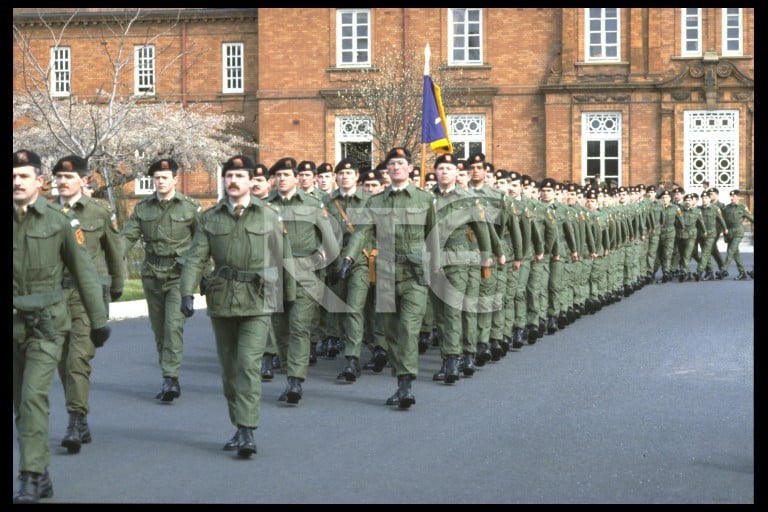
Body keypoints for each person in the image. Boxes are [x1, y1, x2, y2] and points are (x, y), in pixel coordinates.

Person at [179, 154, 296, 458]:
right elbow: (196, 257)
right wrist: (186, 292)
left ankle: (247, 430)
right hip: (222, 299)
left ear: (251, 182)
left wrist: (289, 296)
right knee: (230, 368)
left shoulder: (268, 215)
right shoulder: (210, 217)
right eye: (228, 176)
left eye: (239, 176)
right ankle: (238, 425)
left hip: (258, 299)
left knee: (247, 364)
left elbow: (283, 257)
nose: (232, 181)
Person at [13, 149, 111, 503]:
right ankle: (41, 469)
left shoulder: (59, 221)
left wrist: (99, 320)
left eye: (23, 175)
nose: (16, 182)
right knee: (20, 406)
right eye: (12, 176)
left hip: (46, 325)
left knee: (33, 396)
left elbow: (86, 272)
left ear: (39, 181)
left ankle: (31, 475)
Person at [338, 147, 440, 408]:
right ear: (387, 170)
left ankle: (406, 385)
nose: (395, 167)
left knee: (407, 329)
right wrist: (349, 257)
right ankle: (400, 382)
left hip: (414, 274)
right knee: (392, 332)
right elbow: (361, 232)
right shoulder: (376, 201)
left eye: (400, 163)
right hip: (385, 272)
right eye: (391, 164)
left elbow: (434, 236)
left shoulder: (424, 199)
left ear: (409, 168)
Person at [52, 155, 125, 454]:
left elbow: (115, 254)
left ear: (83, 180)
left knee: (77, 360)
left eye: (68, 177)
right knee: (61, 361)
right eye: (58, 177)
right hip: (55, 297)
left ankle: (74, 419)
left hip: (87, 296)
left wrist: (117, 288)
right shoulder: (45, 213)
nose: (62, 181)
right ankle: (80, 417)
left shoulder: (99, 213)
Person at [121, 158, 201, 402]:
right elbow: (126, 238)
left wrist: (204, 277)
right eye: (156, 178)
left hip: (179, 275)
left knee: (172, 326)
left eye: (165, 177)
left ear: (175, 179)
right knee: (159, 329)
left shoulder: (190, 208)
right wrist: (111, 263)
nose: (160, 182)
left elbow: (202, 245)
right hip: (152, 274)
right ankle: (168, 373)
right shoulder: (144, 208)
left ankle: (170, 377)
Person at [267, 157, 339, 404]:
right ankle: (290, 372)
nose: (282, 179)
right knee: (281, 329)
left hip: (305, 273)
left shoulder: (313, 204)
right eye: (279, 175)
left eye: (287, 175)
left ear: (297, 178)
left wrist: (332, 265)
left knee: (299, 327)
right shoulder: (264, 207)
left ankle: (295, 380)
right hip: (275, 275)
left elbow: (329, 239)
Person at [428, 153, 502, 382]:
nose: (444, 173)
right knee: (440, 313)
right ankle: (456, 354)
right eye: (440, 169)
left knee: (454, 310)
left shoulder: (467, 198)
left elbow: (482, 230)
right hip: (433, 260)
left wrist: (487, 256)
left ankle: (455, 358)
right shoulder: (426, 198)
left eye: (448, 169)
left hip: (460, 259)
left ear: (455, 173)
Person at [325, 157, 373, 382]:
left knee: (354, 308)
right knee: (340, 309)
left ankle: (352, 359)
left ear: (356, 176)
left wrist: (352, 258)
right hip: (334, 261)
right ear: (336, 177)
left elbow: (367, 232)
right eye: (340, 173)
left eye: (349, 173)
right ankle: (345, 342)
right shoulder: (327, 201)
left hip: (359, 261)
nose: (344, 176)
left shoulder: (368, 201)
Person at [722, 190, 754, 280]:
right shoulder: (726, 208)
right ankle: (742, 273)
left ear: (739, 197)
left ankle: (723, 270)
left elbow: (751, 218)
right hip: (729, 232)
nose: (732, 198)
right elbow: (723, 220)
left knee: (731, 251)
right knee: (736, 253)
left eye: (734, 196)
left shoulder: (742, 207)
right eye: (731, 196)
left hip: (738, 232)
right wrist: (724, 229)